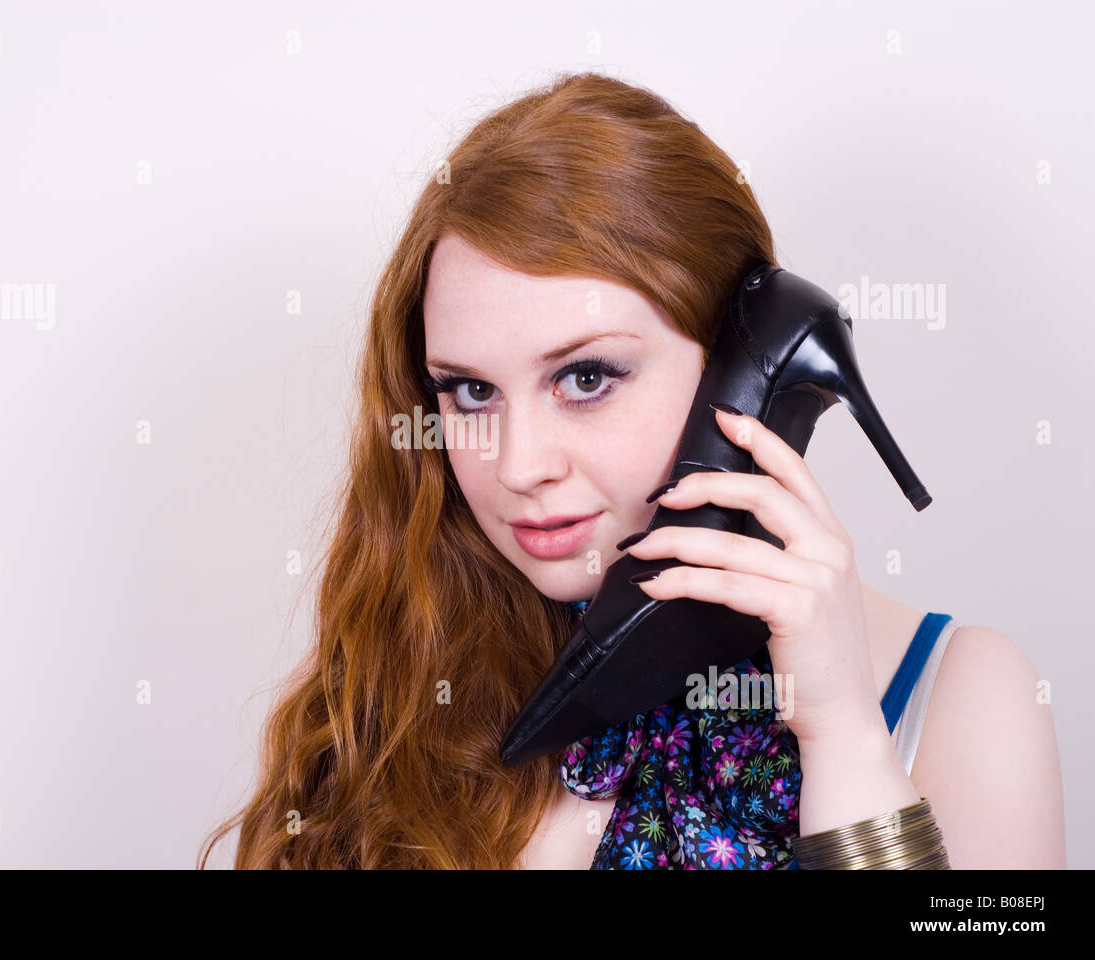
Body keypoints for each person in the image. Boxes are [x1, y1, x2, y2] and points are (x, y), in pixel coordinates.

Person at [202, 71, 1065, 869]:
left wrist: (844, 738)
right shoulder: (403, 669)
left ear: (742, 364)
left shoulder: (967, 696)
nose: (518, 467)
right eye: (470, 391)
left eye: (586, 378)